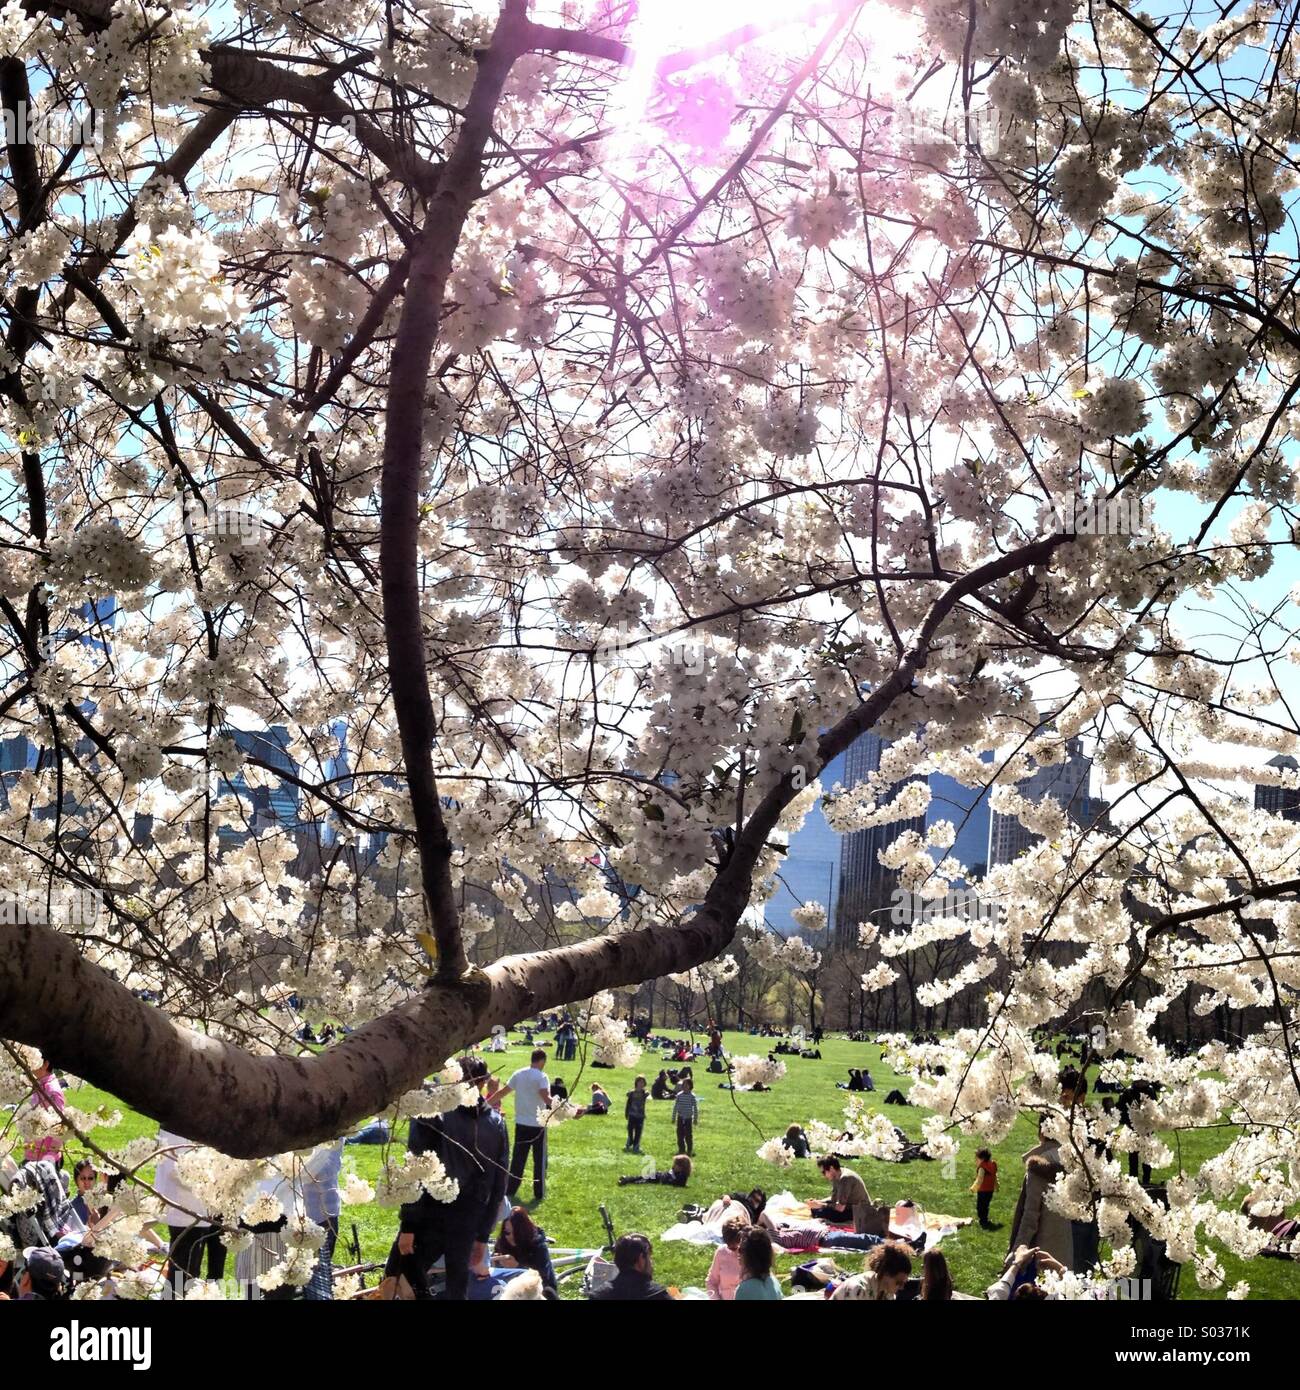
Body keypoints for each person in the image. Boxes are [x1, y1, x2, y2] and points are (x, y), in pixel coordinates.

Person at [387, 1056, 510, 1300]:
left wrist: (409, 1226)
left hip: (429, 1218)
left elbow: (416, 1169)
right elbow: (498, 1187)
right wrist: (482, 1236)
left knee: (398, 1280)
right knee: (455, 1288)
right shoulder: (496, 1123)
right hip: (467, 1221)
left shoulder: (433, 1113)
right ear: (484, 1082)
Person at [155, 1128, 227, 1295]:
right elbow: (175, 1167)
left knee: (190, 1271)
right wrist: (209, 1179)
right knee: (183, 1273)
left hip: (198, 1204)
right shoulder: (175, 1123)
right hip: (184, 1206)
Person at [493, 1048, 552, 1202]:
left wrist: (485, 1104)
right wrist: (566, 1108)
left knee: (518, 1159)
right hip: (538, 1124)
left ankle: (511, 1189)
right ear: (542, 1061)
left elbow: (502, 1092)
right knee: (539, 1160)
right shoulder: (542, 1077)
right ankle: (539, 1193)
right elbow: (546, 1098)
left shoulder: (519, 1074)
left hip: (521, 1122)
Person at [301, 1139, 344, 1300]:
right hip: (283, 1217)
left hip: (322, 1215)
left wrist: (293, 1170)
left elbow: (328, 1168)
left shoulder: (334, 1128)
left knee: (317, 1286)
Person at [588, 1233, 673, 1301]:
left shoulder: (599, 1295)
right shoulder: (657, 1295)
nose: (651, 1262)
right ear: (640, 1259)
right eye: (649, 1257)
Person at [494, 1205, 557, 1294]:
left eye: (514, 1233)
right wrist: (495, 1263)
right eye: (506, 1232)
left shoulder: (538, 1247)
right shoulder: (503, 1241)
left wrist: (517, 1267)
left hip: (537, 1292)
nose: (509, 1236)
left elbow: (542, 1278)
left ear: (522, 1233)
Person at [19, 1050, 65, 1166]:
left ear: (46, 1064)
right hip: (33, 1152)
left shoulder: (52, 1090)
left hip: (46, 1159)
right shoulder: (39, 1084)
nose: (30, 1065)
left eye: (35, 1061)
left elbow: (60, 1127)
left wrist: (49, 1157)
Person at [829, 1240, 913, 1300]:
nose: (902, 1288)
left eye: (904, 1283)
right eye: (899, 1283)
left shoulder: (888, 1294)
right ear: (886, 1274)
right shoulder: (858, 1289)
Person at [809, 1156, 873, 1232]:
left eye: (824, 1172)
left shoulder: (845, 1179)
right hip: (849, 1207)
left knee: (820, 1212)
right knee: (815, 1209)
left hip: (861, 1212)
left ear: (831, 1168)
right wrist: (819, 1202)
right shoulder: (836, 1176)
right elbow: (834, 1199)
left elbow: (840, 1207)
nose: (823, 1175)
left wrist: (821, 1205)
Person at [733, 1227, 783, 1300]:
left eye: (740, 1250)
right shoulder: (773, 1281)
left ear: (750, 1257)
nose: (737, 1253)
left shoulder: (744, 1290)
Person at [706, 1217, 747, 1300]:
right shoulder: (721, 1252)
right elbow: (711, 1281)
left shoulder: (753, 1255)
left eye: (737, 1248)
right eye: (730, 1248)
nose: (735, 1252)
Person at [618, 1155, 692, 1187]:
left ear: (682, 1167)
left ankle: (628, 1181)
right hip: (659, 1175)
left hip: (659, 1179)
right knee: (643, 1176)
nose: (674, 1166)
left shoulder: (682, 1176)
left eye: (676, 1164)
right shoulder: (676, 1172)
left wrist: (669, 1178)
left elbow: (674, 1183)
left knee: (645, 1180)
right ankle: (628, 1178)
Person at [672, 1077, 698, 1156]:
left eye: (687, 1085)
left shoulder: (692, 1096)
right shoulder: (679, 1095)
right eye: (683, 1085)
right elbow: (675, 1107)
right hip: (680, 1117)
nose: (685, 1086)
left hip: (688, 1119)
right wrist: (673, 1117)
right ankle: (681, 1149)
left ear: (690, 1086)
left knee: (688, 1135)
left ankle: (689, 1150)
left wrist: (695, 1118)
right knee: (680, 1135)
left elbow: (695, 1108)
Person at [973, 1147, 998, 1228]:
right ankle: (985, 1219)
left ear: (982, 1158)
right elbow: (994, 1176)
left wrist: (974, 1188)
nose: (976, 1161)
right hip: (990, 1190)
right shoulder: (993, 1164)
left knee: (980, 1206)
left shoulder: (982, 1168)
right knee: (985, 1205)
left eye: (977, 1159)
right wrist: (996, 1186)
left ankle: (982, 1220)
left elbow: (979, 1180)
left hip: (983, 1191)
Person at [625, 1075, 647, 1153]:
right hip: (632, 1114)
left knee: (638, 1132)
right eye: (639, 1082)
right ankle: (630, 1141)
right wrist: (626, 1113)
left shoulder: (644, 1093)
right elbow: (628, 1103)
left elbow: (648, 1094)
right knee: (630, 1130)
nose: (641, 1084)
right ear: (636, 1083)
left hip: (640, 1116)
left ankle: (636, 1146)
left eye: (642, 1082)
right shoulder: (631, 1093)